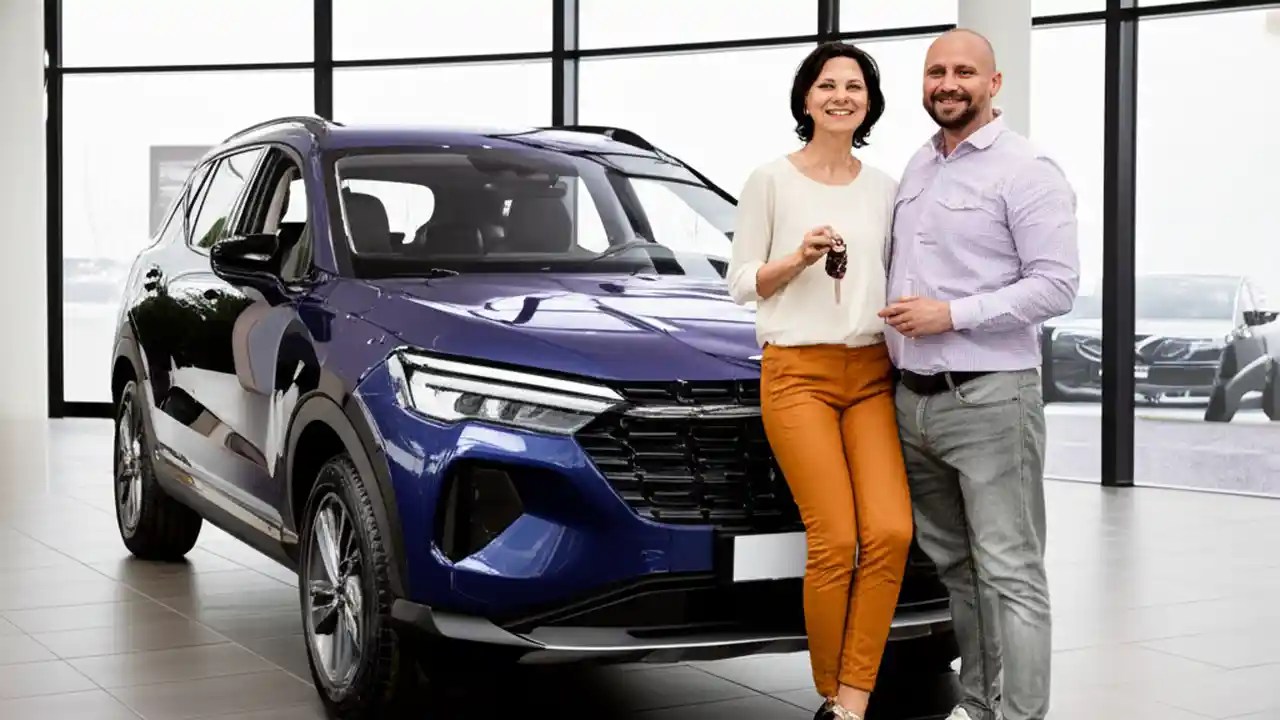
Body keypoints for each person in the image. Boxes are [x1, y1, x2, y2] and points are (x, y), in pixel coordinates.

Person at [878, 28, 1080, 720]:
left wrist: (953, 315)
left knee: (1011, 572)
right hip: (915, 403)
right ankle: (979, 704)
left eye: (965, 71)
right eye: (936, 71)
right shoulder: (917, 166)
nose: (948, 83)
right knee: (958, 569)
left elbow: (1056, 286)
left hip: (991, 398)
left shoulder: (1028, 169)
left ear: (995, 84)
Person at [726, 41, 912, 720]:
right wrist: (798, 259)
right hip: (797, 373)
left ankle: (851, 698)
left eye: (854, 86)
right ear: (806, 99)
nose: (841, 96)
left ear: (870, 102)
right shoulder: (771, 180)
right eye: (828, 85)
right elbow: (743, 284)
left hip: (868, 371)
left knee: (889, 532)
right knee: (835, 538)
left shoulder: (886, 188)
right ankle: (838, 696)